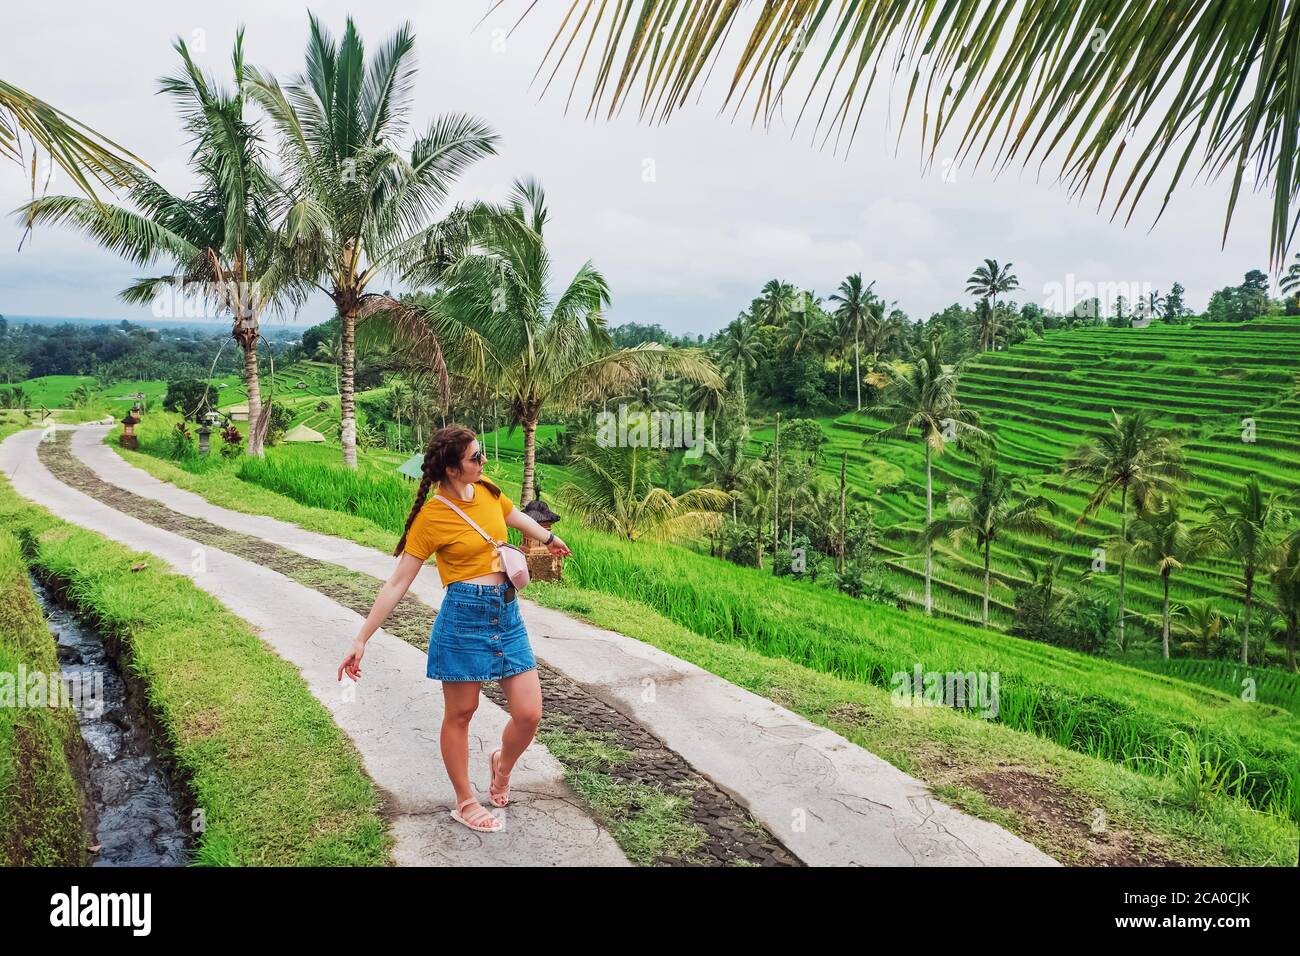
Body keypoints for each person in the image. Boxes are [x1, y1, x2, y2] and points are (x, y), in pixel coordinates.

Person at [337, 424, 571, 833]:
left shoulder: (488, 491)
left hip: (506, 615)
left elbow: (513, 516)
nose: (483, 462)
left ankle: (502, 767)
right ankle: (464, 801)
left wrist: (548, 537)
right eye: (475, 458)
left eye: (481, 454)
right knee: (461, 714)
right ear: (450, 468)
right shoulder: (433, 516)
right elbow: (398, 582)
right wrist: (361, 638)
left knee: (529, 713)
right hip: (463, 619)